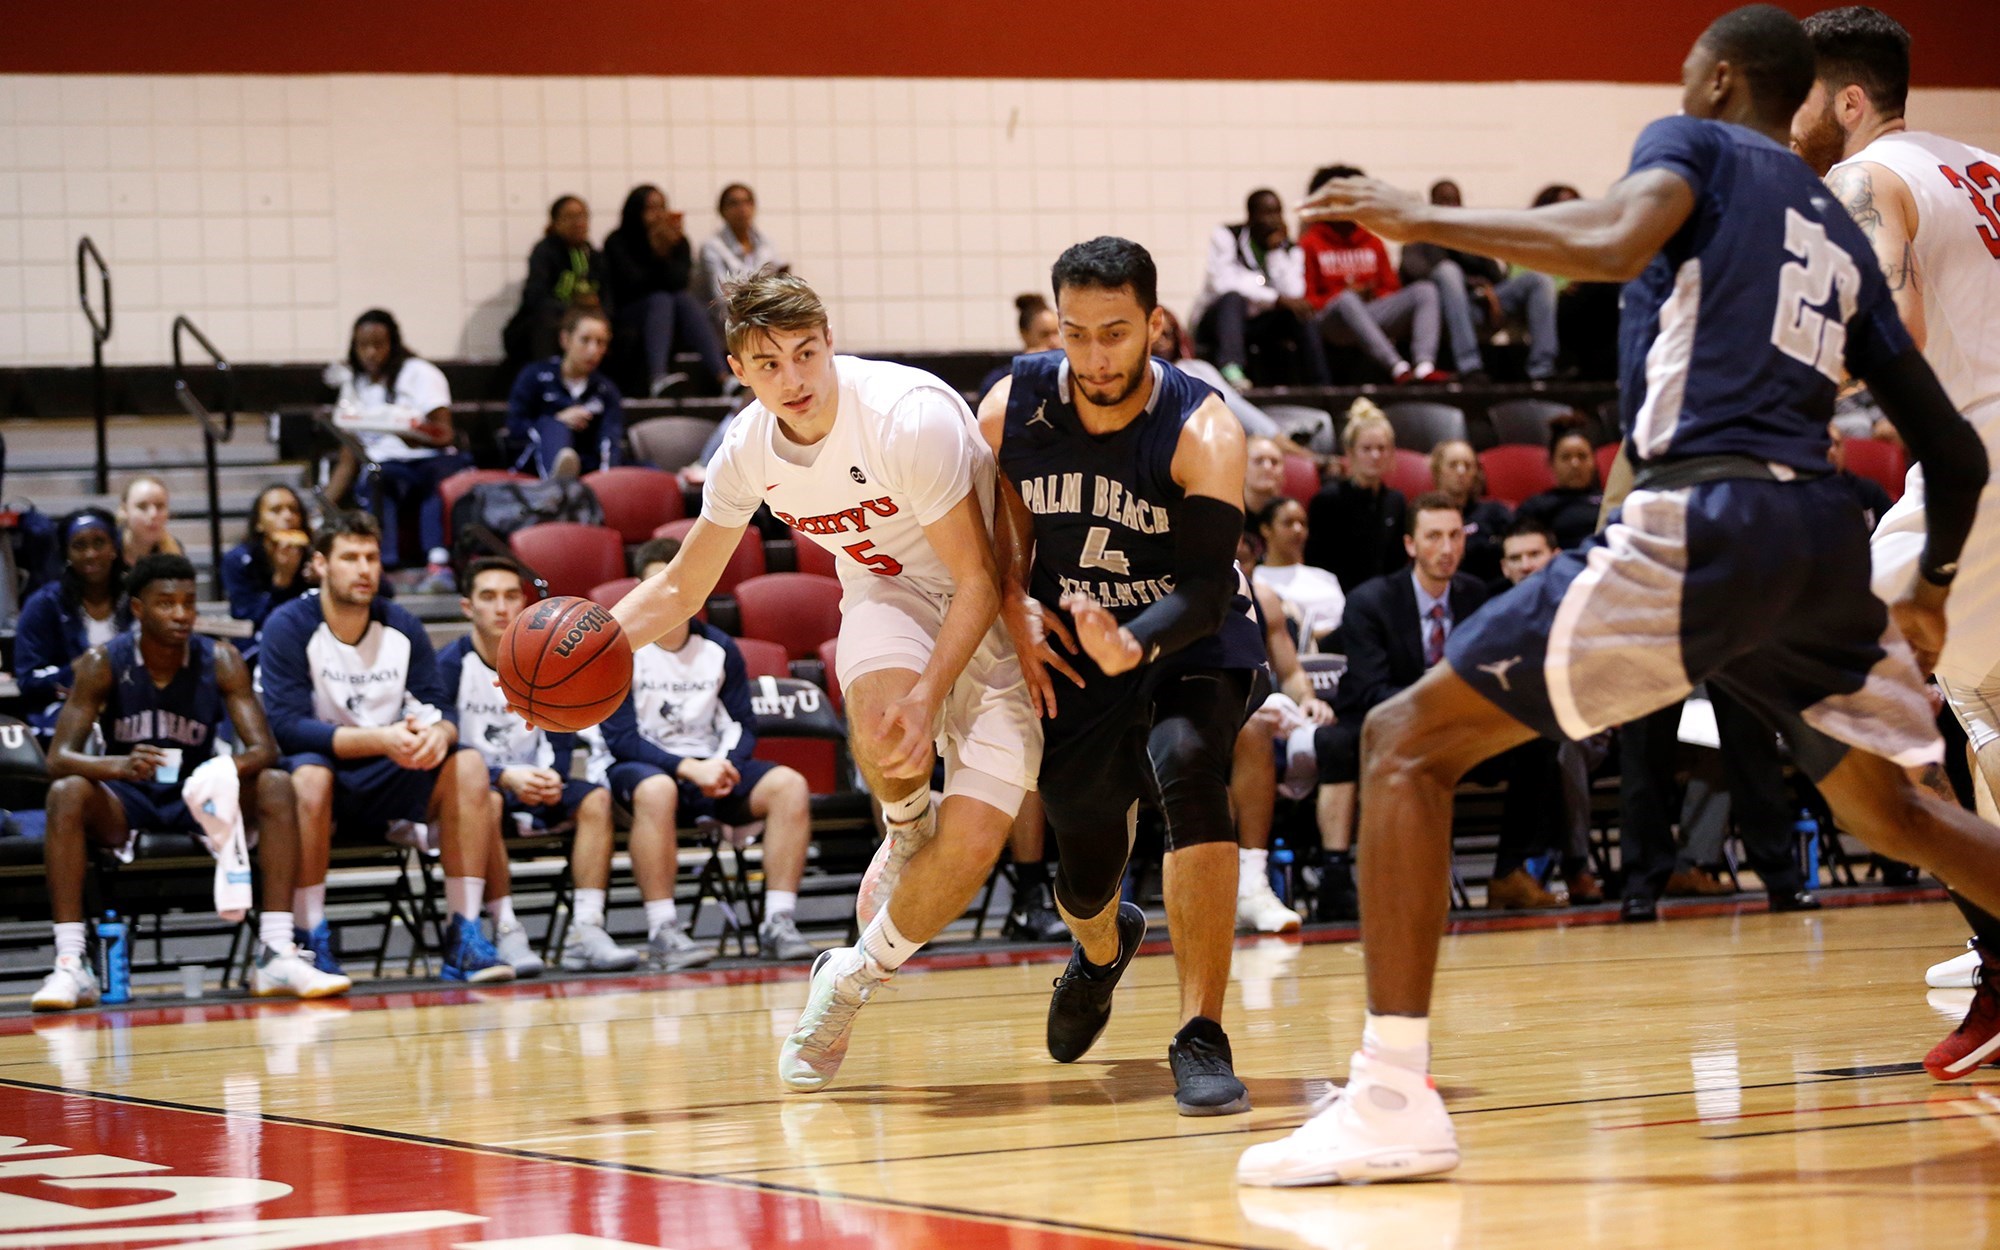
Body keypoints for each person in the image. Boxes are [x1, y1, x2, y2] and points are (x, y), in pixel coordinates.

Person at [1240, 5, 2000, 1185]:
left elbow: (1604, 238)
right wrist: (1932, 582)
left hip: (1705, 524)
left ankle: (1389, 1098)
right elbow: (1948, 451)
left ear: (1718, 82)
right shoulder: (1831, 226)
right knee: (1896, 812)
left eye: (1686, 71)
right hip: (1814, 540)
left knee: (1399, 742)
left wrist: (1420, 217)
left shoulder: (1695, 146)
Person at [572, 271, 1040, 1092]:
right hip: (890, 589)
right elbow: (680, 588)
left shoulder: (904, 417)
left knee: (974, 844)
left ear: (829, 342)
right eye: (769, 363)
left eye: (806, 353)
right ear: (737, 370)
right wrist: (586, 655)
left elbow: (976, 579)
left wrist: (931, 693)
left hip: (994, 603)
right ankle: (905, 826)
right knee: (884, 717)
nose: (794, 378)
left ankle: (851, 977)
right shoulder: (747, 449)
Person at [984, 236, 1263, 1116]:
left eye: (1115, 333)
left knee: (1189, 766)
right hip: (1077, 640)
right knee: (1085, 852)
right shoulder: (1011, 406)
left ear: (1154, 325)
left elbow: (1207, 592)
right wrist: (1012, 598)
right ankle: (1102, 948)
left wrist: (1134, 644)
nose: (1095, 357)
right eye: (1076, 334)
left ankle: (1200, 1033)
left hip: (1188, 636)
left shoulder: (1204, 428)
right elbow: (998, 522)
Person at [1796, 4, 2000, 1067]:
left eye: (1798, 96)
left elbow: (1879, 327)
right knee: (1978, 702)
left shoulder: (1863, 177)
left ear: (1846, 99)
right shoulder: (1985, 167)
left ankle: (1997, 953)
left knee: (1816, 666)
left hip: (1979, 457)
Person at [30, 554, 351, 1011]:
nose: (181, 614)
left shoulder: (220, 659)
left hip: (200, 795)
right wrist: (118, 766)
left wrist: (221, 770)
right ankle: (70, 962)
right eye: (166, 603)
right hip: (128, 797)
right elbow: (58, 759)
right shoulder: (103, 662)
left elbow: (264, 749)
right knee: (66, 793)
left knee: (277, 784)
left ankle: (277, 952)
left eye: (188, 602)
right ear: (138, 609)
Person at [258, 511, 513, 984]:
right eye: (350, 558)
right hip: (327, 775)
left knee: (469, 764)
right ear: (320, 565)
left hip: (392, 773)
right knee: (308, 775)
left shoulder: (402, 625)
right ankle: (310, 934)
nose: (364, 569)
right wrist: (380, 738)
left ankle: (464, 932)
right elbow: (288, 728)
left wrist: (439, 734)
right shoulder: (288, 625)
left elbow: (442, 708)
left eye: (372, 558)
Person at [603, 536, 818, 966]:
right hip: (641, 772)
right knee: (658, 789)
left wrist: (723, 766)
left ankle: (778, 922)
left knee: (789, 785)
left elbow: (743, 725)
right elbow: (622, 739)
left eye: (680, 584)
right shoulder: (621, 650)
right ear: (640, 592)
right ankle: (663, 930)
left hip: (711, 770)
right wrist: (688, 768)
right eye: (660, 585)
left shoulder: (720, 648)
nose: (671, 595)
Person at [440, 557, 639, 974]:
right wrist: (503, 777)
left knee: (596, 800)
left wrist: (553, 775)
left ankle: (586, 929)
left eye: (511, 596)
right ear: (467, 607)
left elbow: (562, 728)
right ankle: (506, 928)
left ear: (526, 605)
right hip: (483, 790)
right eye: (488, 597)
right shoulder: (449, 665)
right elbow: (447, 744)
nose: (501, 608)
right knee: (488, 801)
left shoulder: (548, 657)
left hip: (538, 781)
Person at [1303, 496, 1492, 920]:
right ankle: (1335, 876)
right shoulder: (1371, 601)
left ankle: (1513, 872)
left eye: (1455, 536)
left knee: (1536, 744)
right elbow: (1372, 690)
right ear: (1410, 544)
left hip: (1455, 722)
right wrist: (1438, 707)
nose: (1447, 548)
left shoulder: (1476, 594)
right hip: (1382, 718)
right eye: (1434, 537)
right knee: (1337, 743)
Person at [325, 309, 464, 589]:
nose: (371, 353)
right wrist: (321, 506)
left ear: (393, 344)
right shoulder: (354, 385)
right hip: (387, 465)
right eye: (363, 346)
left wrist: (415, 435)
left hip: (429, 456)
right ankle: (386, 565)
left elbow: (446, 433)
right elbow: (348, 459)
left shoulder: (420, 373)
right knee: (377, 478)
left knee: (432, 481)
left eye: (378, 345)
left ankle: (438, 563)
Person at [1300, 165, 1447, 384]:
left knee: (1425, 290)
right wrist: (1344, 294)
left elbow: (1391, 288)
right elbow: (1308, 301)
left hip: (1370, 314)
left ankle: (1424, 366)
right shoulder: (1309, 243)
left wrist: (1372, 294)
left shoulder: (1372, 241)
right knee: (1347, 300)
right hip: (1332, 322)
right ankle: (1397, 368)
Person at [1402, 180, 1560, 382]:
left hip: (1481, 305)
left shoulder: (1470, 237)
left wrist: (1485, 289)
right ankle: (1469, 366)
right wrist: (1468, 281)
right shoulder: (1417, 237)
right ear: (1431, 203)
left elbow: (1498, 278)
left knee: (1539, 279)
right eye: (1444, 200)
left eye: (1455, 201)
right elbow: (1415, 272)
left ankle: (1543, 368)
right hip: (1444, 311)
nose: (1450, 207)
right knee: (1448, 272)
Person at [1189, 189, 1329, 389]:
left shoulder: (1289, 248)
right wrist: (1274, 298)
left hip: (1261, 323)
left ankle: (1321, 385)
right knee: (1233, 299)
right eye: (1267, 213)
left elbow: (1294, 294)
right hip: (1219, 322)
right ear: (1251, 216)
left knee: (1301, 313)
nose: (1274, 220)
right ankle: (1231, 368)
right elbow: (1223, 284)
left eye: (1278, 212)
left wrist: (1275, 253)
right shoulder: (1227, 236)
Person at [605, 184, 730, 397]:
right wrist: (654, 251)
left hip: (668, 313)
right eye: (651, 208)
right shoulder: (618, 241)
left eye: (662, 207)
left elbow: (679, 282)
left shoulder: (677, 241)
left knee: (683, 300)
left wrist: (665, 251)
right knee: (661, 300)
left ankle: (723, 377)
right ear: (636, 210)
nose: (658, 214)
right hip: (629, 313)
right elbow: (632, 283)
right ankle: (657, 377)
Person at [17, 509, 131, 734]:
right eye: (79, 545)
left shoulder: (135, 599)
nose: (91, 554)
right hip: (65, 710)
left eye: (99, 543)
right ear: (66, 553)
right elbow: (28, 681)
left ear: (114, 548)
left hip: (128, 707)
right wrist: (75, 670)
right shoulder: (44, 604)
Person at [507, 307, 624, 480]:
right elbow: (515, 426)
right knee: (554, 427)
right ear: (565, 339)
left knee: (647, 468)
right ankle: (557, 481)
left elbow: (610, 440)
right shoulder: (534, 376)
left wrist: (607, 480)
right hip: (535, 465)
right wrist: (557, 420)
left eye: (601, 343)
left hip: (588, 469)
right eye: (585, 340)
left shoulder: (606, 390)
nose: (593, 350)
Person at [1305, 403, 1408, 591]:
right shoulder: (1327, 501)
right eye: (1366, 449)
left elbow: (1399, 564)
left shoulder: (1396, 501)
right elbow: (1316, 563)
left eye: (1382, 448)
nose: (1375, 455)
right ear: (1350, 452)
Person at [503, 195, 606, 366]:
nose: (578, 222)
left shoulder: (594, 257)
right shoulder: (544, 252)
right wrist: (575, 307)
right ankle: (548, 375)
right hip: (544, 323)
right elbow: (536, 297)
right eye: (570, 217)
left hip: (584, 320)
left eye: (582, 216)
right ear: (555, 222)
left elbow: (608, 298)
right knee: (549, 321)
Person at [222, 484, 314, 649]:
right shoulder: (237, 560)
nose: (288, 516)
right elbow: (248, 621)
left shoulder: (314, 558)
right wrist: (282, 580)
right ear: (259, 523)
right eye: (276, 510)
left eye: (294, 510)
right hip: (257, 643)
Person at [1250, 498, 1344, 652]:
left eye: (1303, 523)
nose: (1298, 529)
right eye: (1288, 523)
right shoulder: (1257, 580)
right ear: (1266, 529)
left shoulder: (1326, 577)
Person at [1430, 438, 1512, 583]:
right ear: (1437, 470)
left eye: (1468, 466)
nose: (1461, 471)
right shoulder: (1425, 515)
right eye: (1453, 465)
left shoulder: (1495, 512)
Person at [1513, 419, 1603, 549]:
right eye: (1566, 457)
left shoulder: (1609, 499)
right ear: (1551, 463)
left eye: (1582, 456)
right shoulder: (1536, 506)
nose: (1575, 464)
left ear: (1594, 461)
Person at [699, 184, 788, 315]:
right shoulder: (712, 247)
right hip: (731, 317)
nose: (742, 209)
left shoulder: (766, 244)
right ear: (722, 211)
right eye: (734, 203)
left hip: (767, 313)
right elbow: (722, 296)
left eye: (747, 202)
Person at [979, 295, 1063, 396]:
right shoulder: (1000, 379)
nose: (1054, 342)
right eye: (1045, 335)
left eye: (1057, 333)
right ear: (1024, 334)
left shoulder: (1068, 373)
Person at [1827, 419, 1894, 526]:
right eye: (1827, 445)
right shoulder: (1804, 494)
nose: (1832, 451)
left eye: (1837, 444)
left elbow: (1894, 526)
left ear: (1844, 448)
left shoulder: (1869, 491)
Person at [117, 476, 183, 561]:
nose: (153, 514)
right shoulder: (110, 546)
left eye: (160, 506)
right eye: (142, 506)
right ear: (125, 510)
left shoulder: (174, 551)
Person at [1243, 435, 1291, 517]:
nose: (1267, 467)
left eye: (1274, 462)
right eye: (1258, 461)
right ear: (1242, 468)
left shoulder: (1291, 516)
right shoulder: (1227, 514)